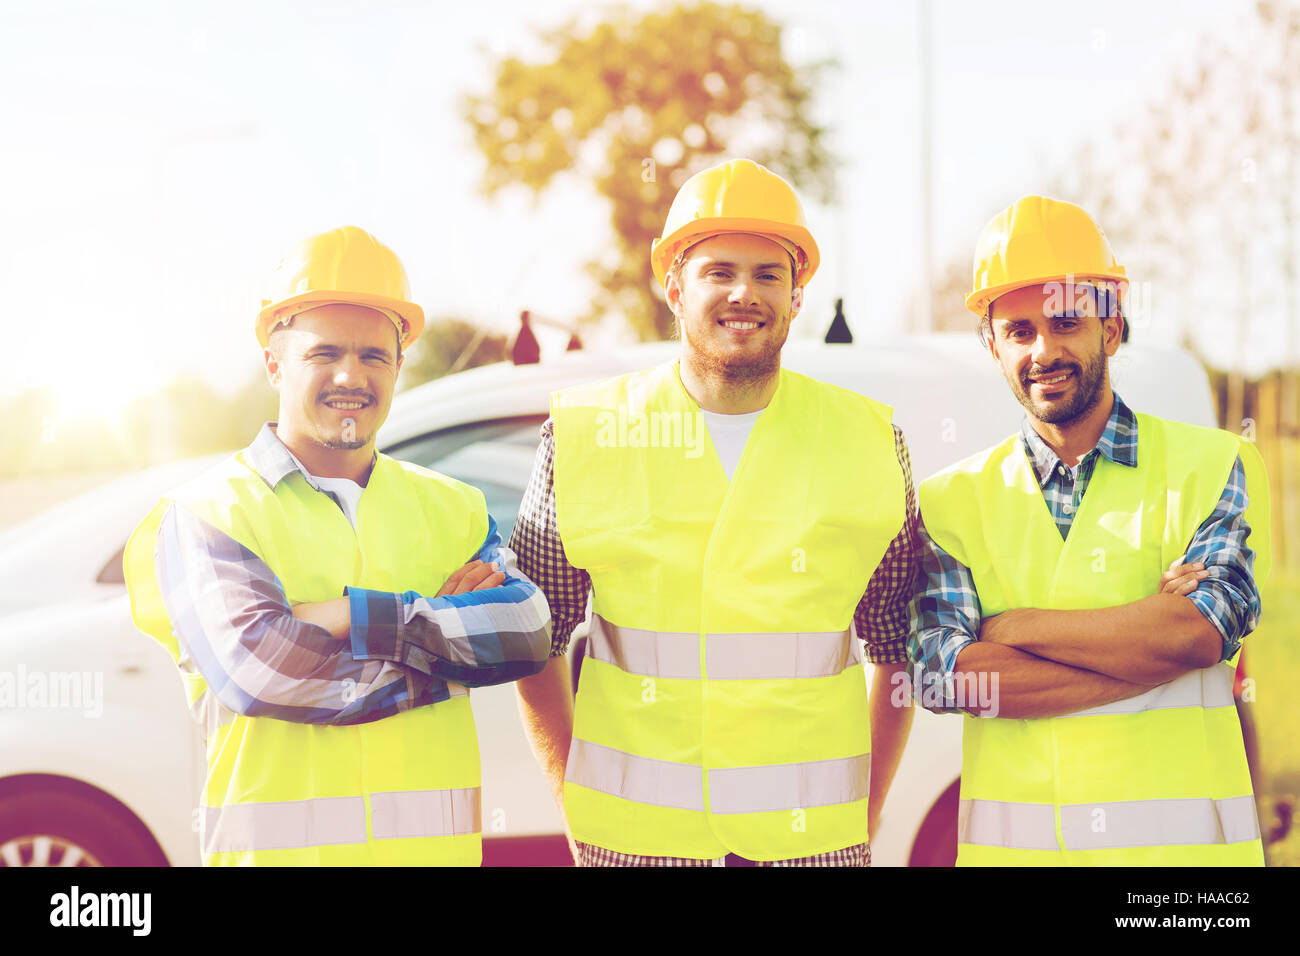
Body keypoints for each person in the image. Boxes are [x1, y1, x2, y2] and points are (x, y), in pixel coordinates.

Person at [510, 159, 919, 866]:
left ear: (797, 296)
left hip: (812, 846)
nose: (744, 294)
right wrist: (574, 807)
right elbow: (531, 643)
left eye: (768, 275)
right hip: (635, 847)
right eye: (718, 271)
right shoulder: (585, 435)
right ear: (674, 285)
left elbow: (897, 649)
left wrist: (866, 810)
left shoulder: (870, 441)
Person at [123, 225, 552, 866]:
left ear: (400, 366)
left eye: (374, 356)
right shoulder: (211, 514)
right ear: (275, 362)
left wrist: (349, 616)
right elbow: (266, 672)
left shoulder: (453, 506)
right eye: (323, 354)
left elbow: (526, 633)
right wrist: (455, 656)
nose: (351, 375)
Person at [908, 195, 1271, 865]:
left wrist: (1012, 630)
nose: (1044, 349)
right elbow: (942, 677)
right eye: (1019, 330)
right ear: (992, 346)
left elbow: (1201, 629)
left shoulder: (1216, 466)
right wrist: (1153, 647)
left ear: (1110, 327)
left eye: (1066, 321)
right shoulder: (949, 502)